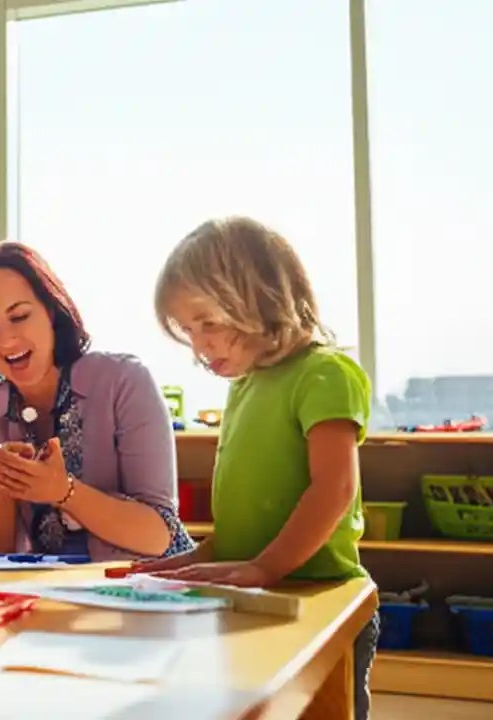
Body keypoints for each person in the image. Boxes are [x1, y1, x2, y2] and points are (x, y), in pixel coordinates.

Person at [135, 216, 379, 719]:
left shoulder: (325, 374)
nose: (199, 345)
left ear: (263, 299)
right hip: (256, 596)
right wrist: (186, 561)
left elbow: (333, 489)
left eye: (208, 323)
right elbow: (246, 520)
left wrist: (266, 566)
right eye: (188, 331)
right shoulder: (244, 387)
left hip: (319, 597)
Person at [0, 242, 193, 560]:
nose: (6, 340)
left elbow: (159, 534)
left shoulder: (124, 381)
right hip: (46, 595)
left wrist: (64, 491)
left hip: (143, 593)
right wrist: (3, 486)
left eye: (19, 316)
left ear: (50, 309)